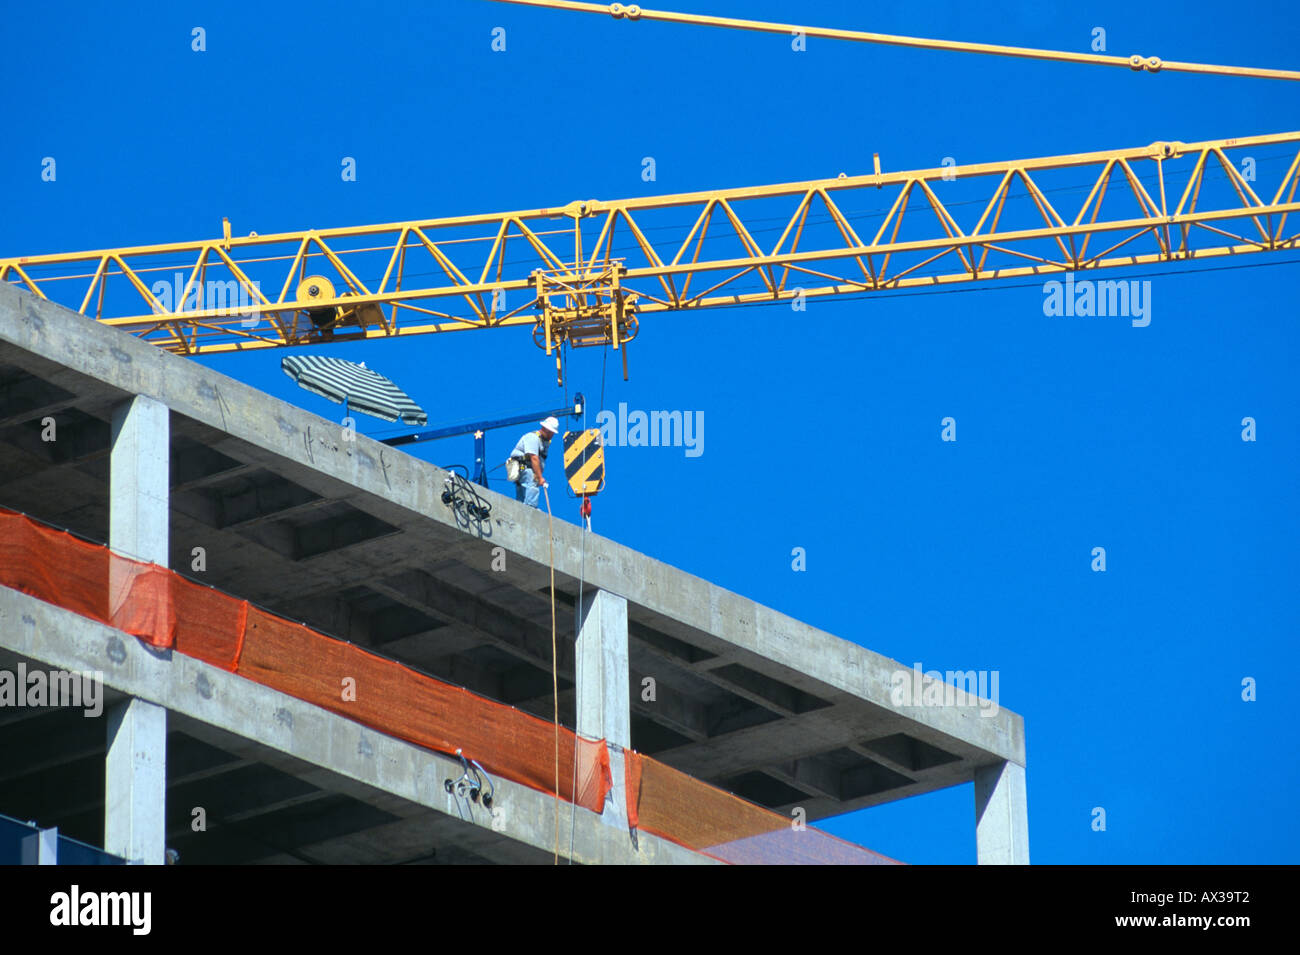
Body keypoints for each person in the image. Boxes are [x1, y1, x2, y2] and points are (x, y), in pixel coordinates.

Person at [510, 416, 559, 509]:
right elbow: (534, 458)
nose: (552, 435)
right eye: (552, 433)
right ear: (547, 430)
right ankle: (530, 509)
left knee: (523, 491)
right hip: (525, 468)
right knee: (532, 483)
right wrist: (540, 478)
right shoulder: (533, 438)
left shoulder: (544, 442)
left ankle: (521, 510)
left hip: (527, 469)